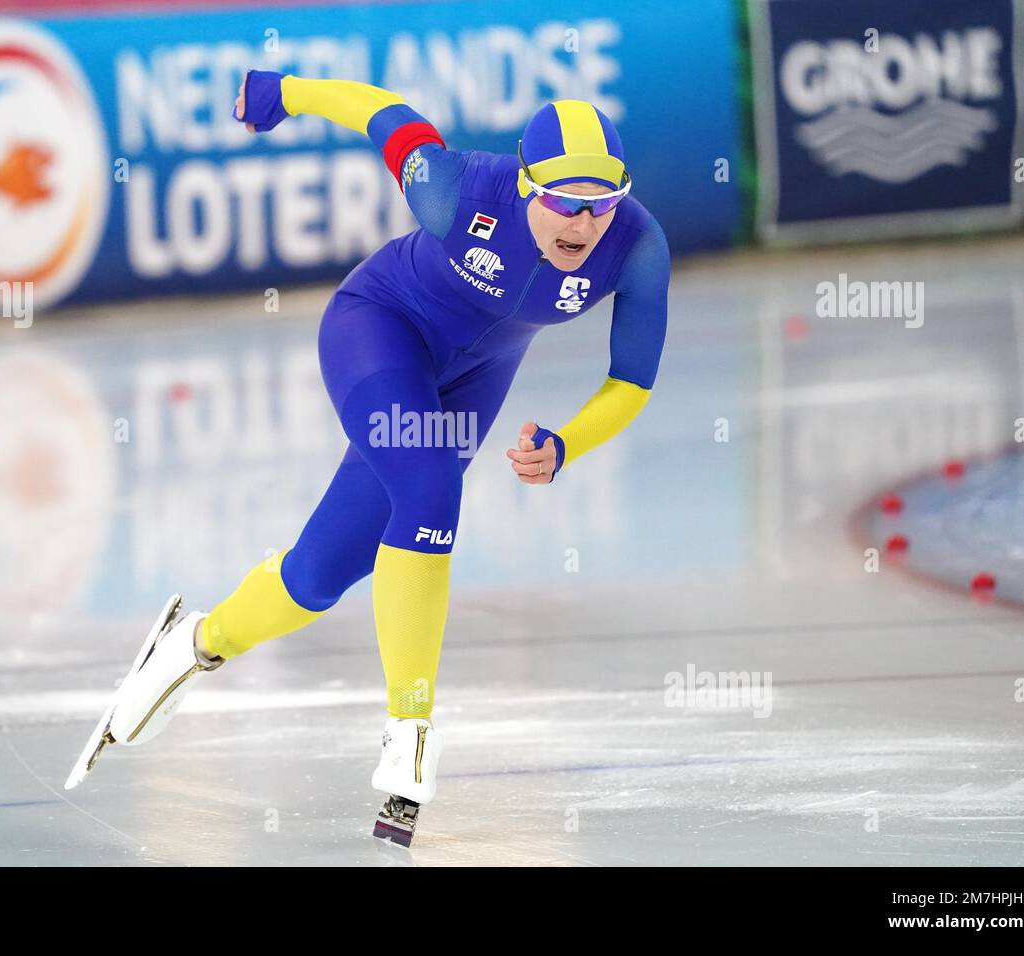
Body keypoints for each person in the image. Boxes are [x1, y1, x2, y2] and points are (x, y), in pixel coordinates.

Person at [67, 70, 671, 846]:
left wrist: (566, 445)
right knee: (430, 489)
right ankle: (410, 733)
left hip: (478, 376)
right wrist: (284, 91)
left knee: (318, 576)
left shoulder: (636, 244)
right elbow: (384, 113)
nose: (584, 223)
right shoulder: (458, 192)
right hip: (378, 328)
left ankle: (192, 646)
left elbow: (632, 381)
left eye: (602, 202)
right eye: (564, 201)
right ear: (527, 185)